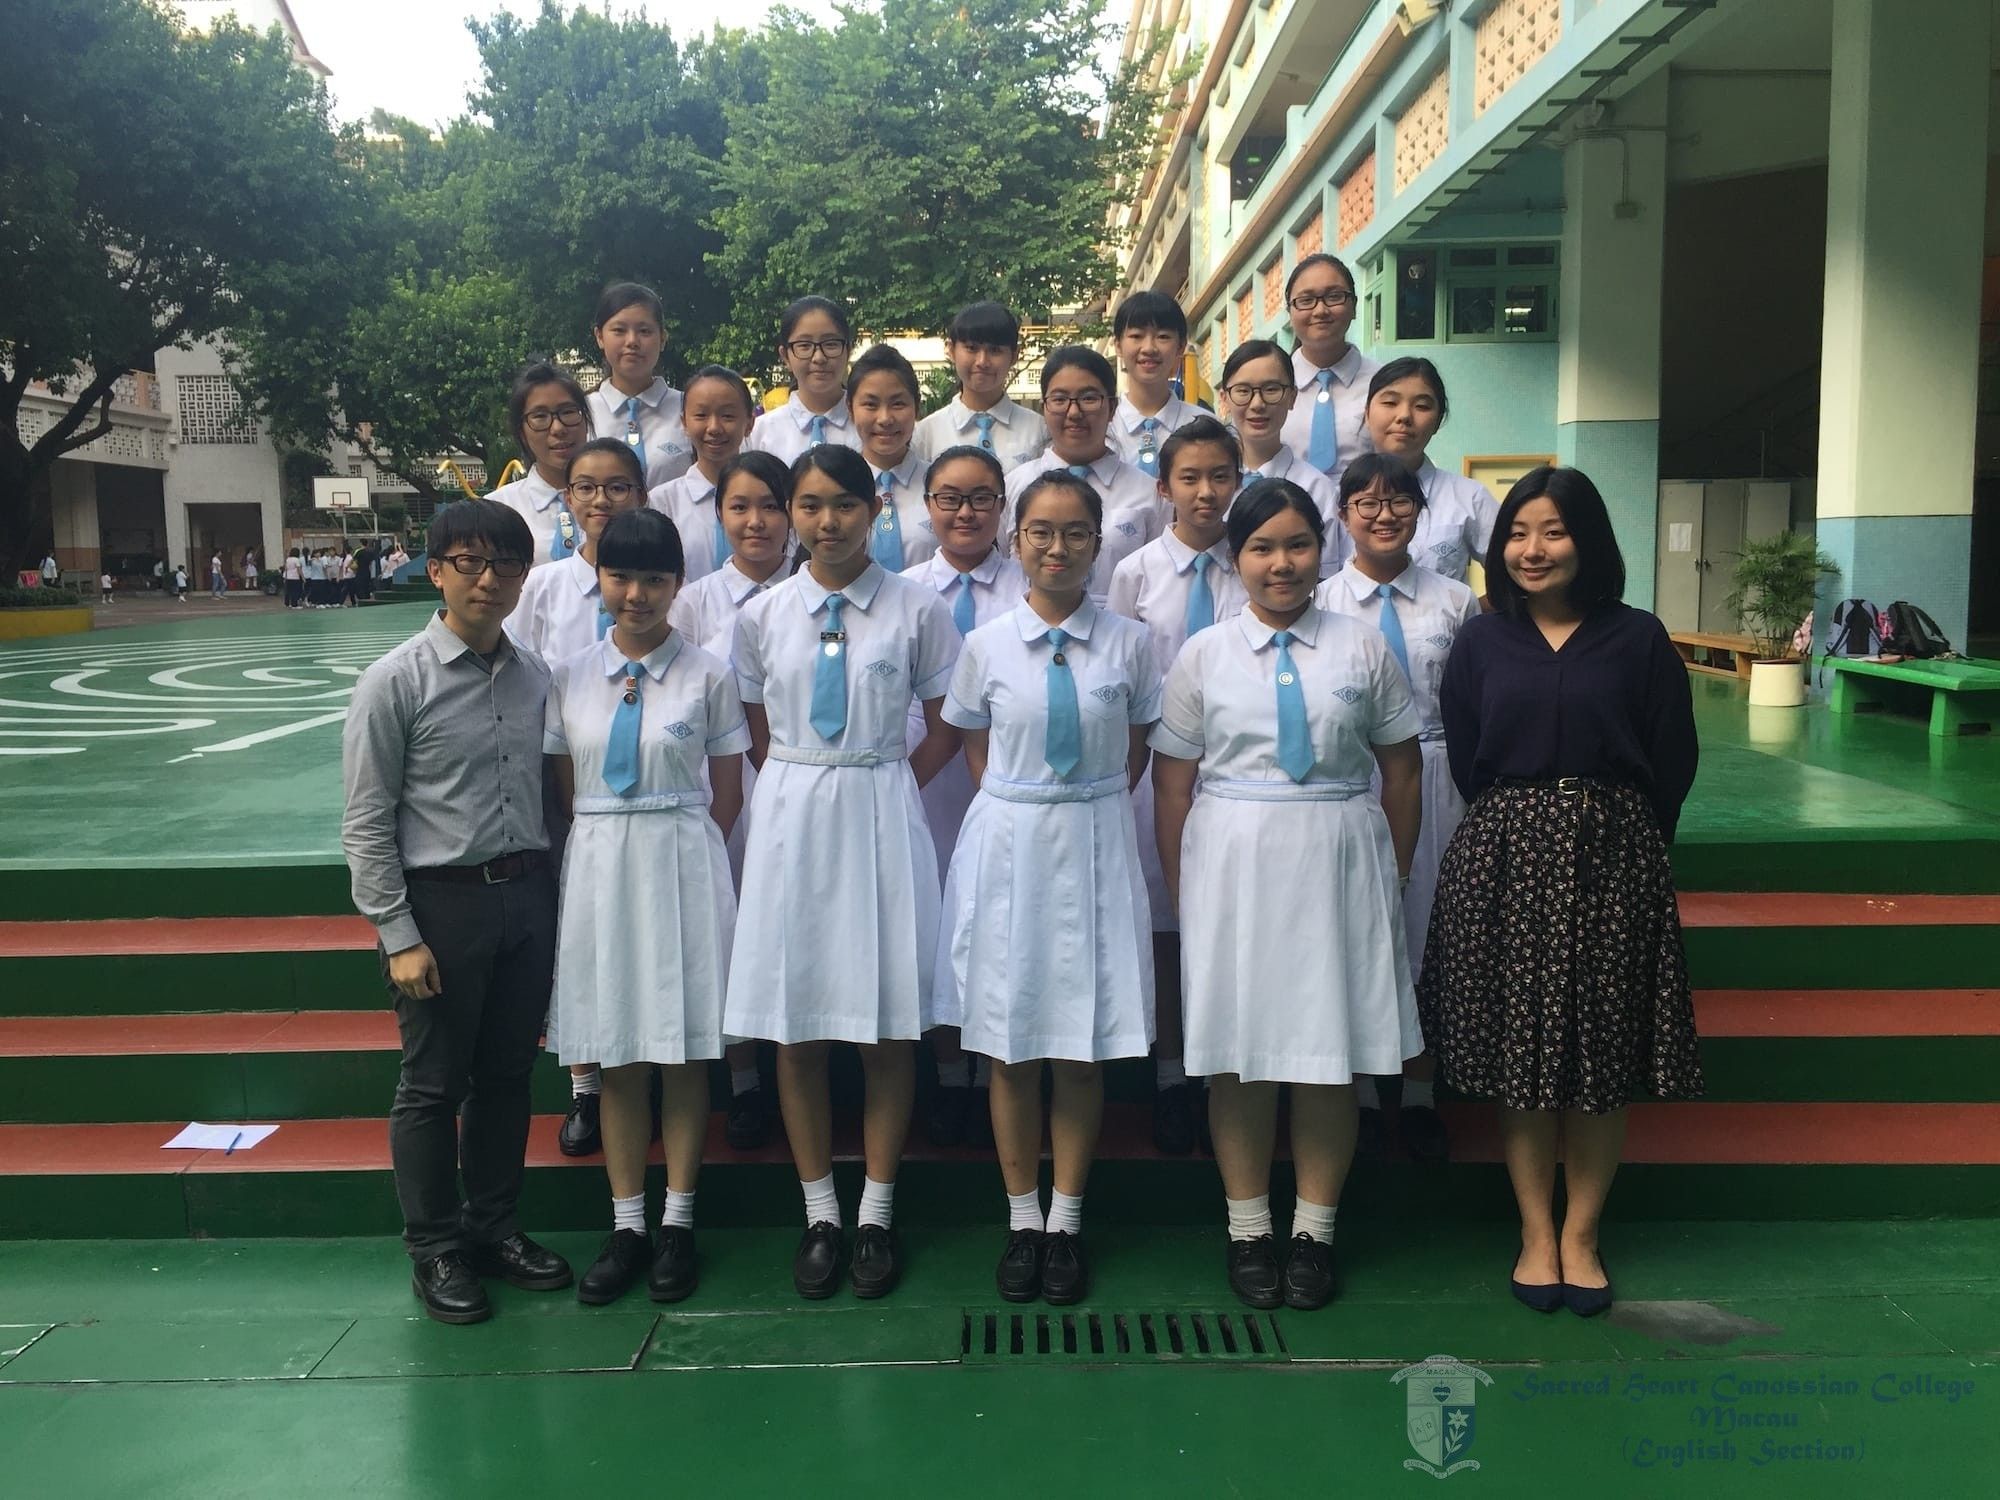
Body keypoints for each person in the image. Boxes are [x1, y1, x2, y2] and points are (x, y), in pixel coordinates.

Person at [1419, 466, 1700, 1319]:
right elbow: (1468, 759)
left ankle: (1584, 1233)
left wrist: (1621, 843)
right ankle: (1536, 1231)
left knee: (1599, 1056)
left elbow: (1672, 761)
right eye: (1517, 534)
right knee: (1525, 1056)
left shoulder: (1639, 638)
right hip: (1505, 856)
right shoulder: (1481, 640)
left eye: (1552, 531)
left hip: (1615, 859)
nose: (1532, 551)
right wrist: (1528, 821)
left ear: (1587, 540)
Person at [1151, 477, 1424, 1313]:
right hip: (1235, 862)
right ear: (1235, 560)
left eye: (1297, 545)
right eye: (1262, 548)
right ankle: (1247, 1230)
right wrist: (1185, 891)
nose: (1281, 563)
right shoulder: (1203, 653)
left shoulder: (1362, 647)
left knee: (1327, 1059)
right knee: (1242, 1056)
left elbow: (1402, 770)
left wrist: (1393, 875)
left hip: (1338, 857)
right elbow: (1171, 785)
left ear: (1323, 549)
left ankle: (1313, 1231)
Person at [724, 443, 961, 1300]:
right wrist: (796, 782)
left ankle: (876, 1213)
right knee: (796, 1020)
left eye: (845, 507)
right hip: (791, 815)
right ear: (791, 511)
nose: (827, 523)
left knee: (888, 1022)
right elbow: (751, 723)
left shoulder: (917, 609)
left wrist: (884, 779)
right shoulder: (763, 614)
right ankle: (820, 1207)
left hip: (878, 809)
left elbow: (945, 722)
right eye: (811, 506)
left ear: (874, 510)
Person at [340, 498, 572, 1326]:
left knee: (508, 1076)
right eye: (468, 562)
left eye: (505, 564)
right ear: (434, 570)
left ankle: (494, 1227)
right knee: (433, 1086)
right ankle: (434, 1247)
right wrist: (397, 934)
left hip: (525, 897)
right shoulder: (394, 681)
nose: (488, 578)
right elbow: (366, 822)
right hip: (441, 905)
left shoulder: (537, 674)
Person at [938, 470, 1160, 1305]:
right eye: (1040, 531)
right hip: (1012, 848)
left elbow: (1137, 746)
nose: (1057, 548)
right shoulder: (986, 645)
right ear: (1015, 540)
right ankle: (1021, 1219)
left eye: (1074, 533)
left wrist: (1084, 806)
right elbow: (973, 749)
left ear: (1098, 544)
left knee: (1081, 1045)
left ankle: (1067, 1221)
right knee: (1010, 1042)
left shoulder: (1131, 645)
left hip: (1095, 841)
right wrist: (1025, 806)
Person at [545, 507, 748, 1305]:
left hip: (679, 862)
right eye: (621, 576)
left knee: (682, 1051)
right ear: (598, 578)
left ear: (678, 584)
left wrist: (674, 847)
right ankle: (626, 1223)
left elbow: (725, 796)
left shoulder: (709, 674)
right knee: (619, 1050)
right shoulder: (566, 676)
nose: (637, 594)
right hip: (601, 867)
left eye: (654, 579)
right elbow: (569, 792)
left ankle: (677, 1224)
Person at [1316, 454, 1479, 1162]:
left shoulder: (1454, 601)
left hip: (1436, 776)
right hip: (1349, 783)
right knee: (1350, 931)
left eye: (1399, 501)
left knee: (1423, 936)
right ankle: (1352, 1087)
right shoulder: (1318, 600)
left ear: (1421, 511)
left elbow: (1473, 704)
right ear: (1344, 514)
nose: (1384, 514)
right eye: (1367, 502)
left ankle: (1417, 1093)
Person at [1106, 414, 1249, 1155]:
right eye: (1189, 478)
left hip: (1235, 772)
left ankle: (1225, 1066)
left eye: (1219, 476)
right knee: (1166, 925)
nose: (1205, 491)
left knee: (1228, 923)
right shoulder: (1135, 573)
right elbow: (1122, 675)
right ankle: (1171, 1080)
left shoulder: (1250, 563)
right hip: (1154, 774)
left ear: (1239, 481)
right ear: (1163, 488)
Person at [507, 436, 650, 1159]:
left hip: (641, 796)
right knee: (579, 933)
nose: (601, 501)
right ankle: (586, 1086)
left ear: (642, 496)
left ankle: (650, 1070)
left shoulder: (659, 585)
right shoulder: (543, 588)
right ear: (568, 500)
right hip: (565, 782)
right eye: (587, 488)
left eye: (618, 487)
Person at [668, 450, 799, 1151]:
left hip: (803, 784)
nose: (756, 521)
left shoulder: (817, 592)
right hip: (722, 785)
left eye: (771, 505)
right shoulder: (692, 602)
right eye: (740, 506)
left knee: (789, 929)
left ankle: (803, 1070)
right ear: (718, 516)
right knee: (737, 928)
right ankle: (746, 1083)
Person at [901, 445, 1028, 1146]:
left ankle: (993, 1068)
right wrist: (906, 781)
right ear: (928, 507)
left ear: (1003, 505)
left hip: (1008, 789)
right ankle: (951, 1076)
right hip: (925, 782)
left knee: (997, 926)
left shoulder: (1028, 587)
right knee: (943, 927)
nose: (965, 512)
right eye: (949, 497)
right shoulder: (905, 592)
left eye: (981, 497)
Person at [1004, 347, 1162, 603]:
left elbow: (1157, 578)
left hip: (1119, 635)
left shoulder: (1147, 492)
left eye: (1089, 398)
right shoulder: (1015, 485)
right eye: (1059, 399)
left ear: (1112, 407)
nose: (1074, 412)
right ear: (1044, 407)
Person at [1362, 358, 1500, 588]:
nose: (1404, 416)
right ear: (1366, 413)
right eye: (1390, 402)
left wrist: (1471, 616)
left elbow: (1513, 573)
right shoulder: (1338, 498)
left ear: (1438, 421)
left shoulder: (1470, 498)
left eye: (1422, 406)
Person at [1219, 338, 1343, 574]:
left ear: (1292, 397)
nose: (1257, 404)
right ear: (1224, 399)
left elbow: (1326, 577)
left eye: (1271, 390)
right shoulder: (1211, 486)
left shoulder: (1317, 489)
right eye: (1243, 391)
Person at [648, 365, 758, 582]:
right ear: (684, 423)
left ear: (749, 423)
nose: (714, 427)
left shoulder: (770, 498)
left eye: (728, 415)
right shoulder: (662, 503)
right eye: (701, 415)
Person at [911, 301, 1048, 472]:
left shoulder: (1039, 431)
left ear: (1014, 355)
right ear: (951, 350)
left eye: (995, 350)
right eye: (971, 348)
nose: (982, 362)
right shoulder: (926, 434)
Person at [585, 281, 695, 490]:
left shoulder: (690, 408)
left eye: (644, 331)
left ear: (662, 338)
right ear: (599, 337)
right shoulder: (581, 413)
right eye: (619, 330)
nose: (632, 341)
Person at [1281, 253, 1377, 480]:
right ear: (1290, 312)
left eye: (1334, 297)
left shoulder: (1383, 384)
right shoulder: (1267, 386)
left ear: (1354, 307)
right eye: (1306, 300)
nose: (1320, 310)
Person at [489, 360, 594, 567]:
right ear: (521, 431)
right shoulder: (498, 510)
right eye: (540, 416)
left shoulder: (616, 500)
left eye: (568, 412)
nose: (557, 428)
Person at [743, 297, 864, 464]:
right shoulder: (759, 433)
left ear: (848, 350)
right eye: (804, 346)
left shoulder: (870, 428)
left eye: (830, 344)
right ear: (785, 356)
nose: (819, 357)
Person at [850, 344, 936, 572]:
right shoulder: (837, 485)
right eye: (870, 404)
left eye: (898, 404)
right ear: (850, 409)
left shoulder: (941, 487)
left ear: (917, 408)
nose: (885, 418)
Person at [1108, 290, 1204, 478]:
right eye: (1136, 336)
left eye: (1163, 337)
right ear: (1118, 345)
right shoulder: (1102, 428)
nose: (1149, 348)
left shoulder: (1205, 426)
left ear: (1181, 346)